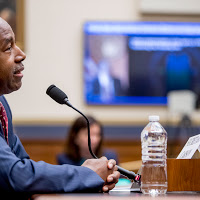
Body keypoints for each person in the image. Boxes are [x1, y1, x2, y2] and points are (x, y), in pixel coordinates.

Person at [0, 17, 120, 197]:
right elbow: (18, 176)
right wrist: (86, 174)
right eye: (8, 47)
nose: (21, 54)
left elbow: (22, 165)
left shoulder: (2, 104)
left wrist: (91, 177)